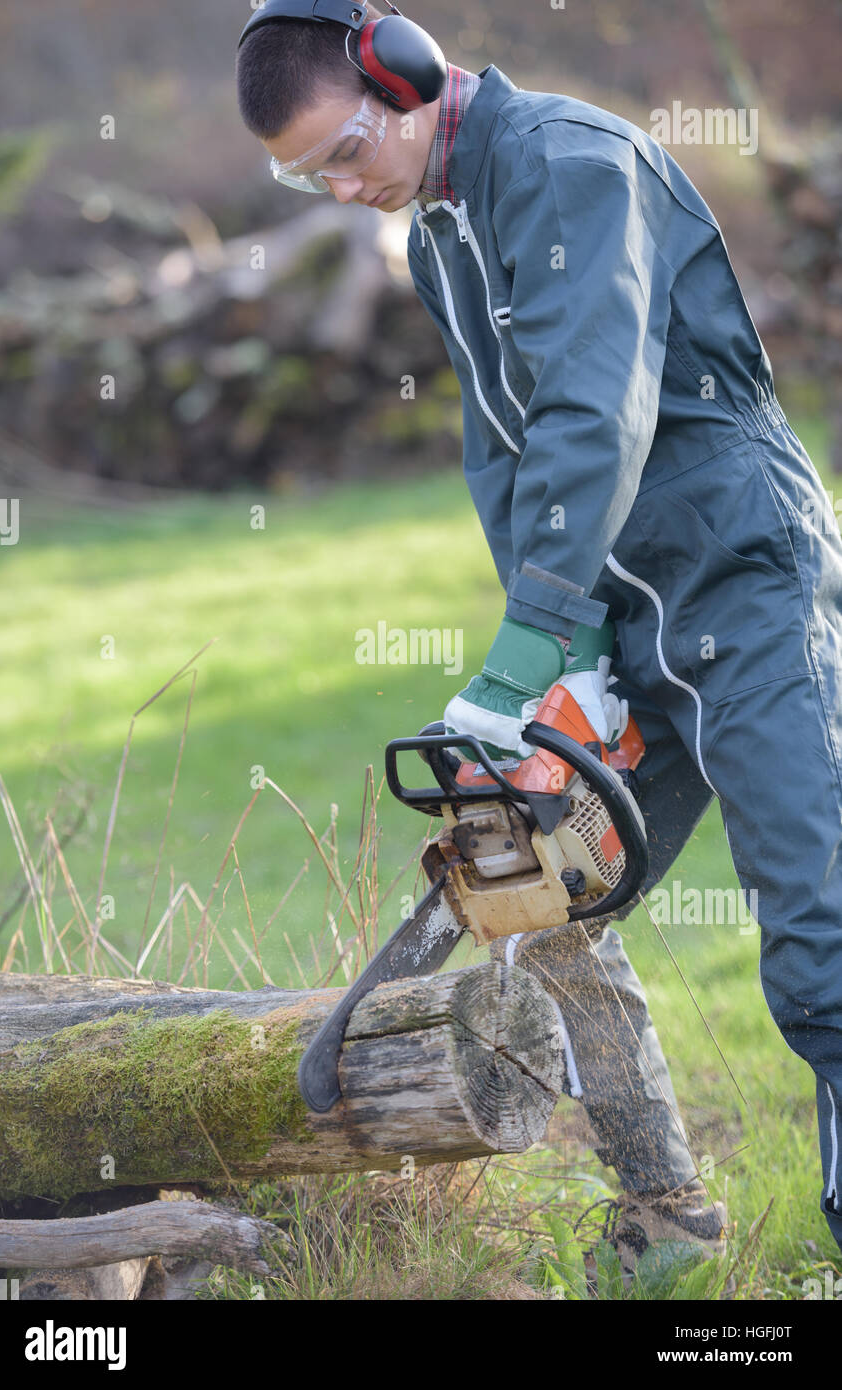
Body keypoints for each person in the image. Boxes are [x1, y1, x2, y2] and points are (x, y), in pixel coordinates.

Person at [236, 2, 842, 1263]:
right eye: (307, 176)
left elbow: (592, 413)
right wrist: (562, 650)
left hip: (743, 581)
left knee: (820, 941)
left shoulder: (571, 166)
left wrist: (530, 641)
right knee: (544, 890)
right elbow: (505, 460)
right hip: (623, 611)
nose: (342, 188)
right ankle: (665, 1211)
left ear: (398, 74)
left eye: (344, 152)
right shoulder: (441, 234)